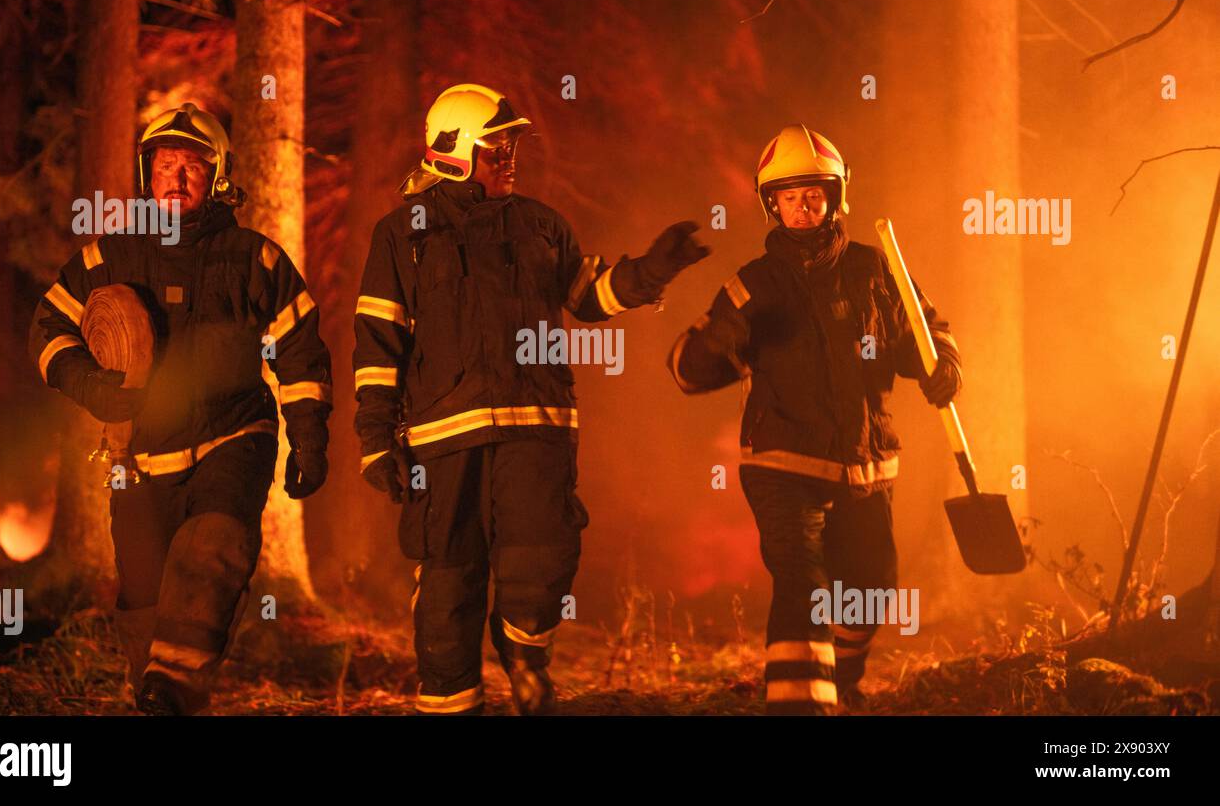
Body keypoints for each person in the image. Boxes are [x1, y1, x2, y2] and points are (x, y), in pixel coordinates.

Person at [355, 83, 710, 714]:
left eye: (513, 144)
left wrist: (653, 269)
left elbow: (589, 297)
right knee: (447, 582)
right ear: (455, 151)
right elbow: (378, 343)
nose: (510, 156)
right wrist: (375, 442)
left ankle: (525, 655)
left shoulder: (543, 225)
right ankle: (450, 702)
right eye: (496, 146)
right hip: (443, 440)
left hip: (537, 431)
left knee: (544, 558)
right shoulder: (402, 233)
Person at [28, 102, 333, 715]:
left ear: (217, 178)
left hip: (234, 435)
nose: (176, 179)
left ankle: (169, 686)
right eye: (165, 165)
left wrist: (310, 438)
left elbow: (299, 348)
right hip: (139, 456)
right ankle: (164, 694)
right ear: (147, 175)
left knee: (213, 543)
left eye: (192, 167)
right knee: (142, 596)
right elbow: (46, 326)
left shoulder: (256, 258)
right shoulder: (109, 256)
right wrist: (90, 385)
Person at [666, 124, 962, 714]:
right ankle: (802, 706)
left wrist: (943, 366)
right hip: (783, 463)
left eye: (813, 195)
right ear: (771, 204)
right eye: (789, 197)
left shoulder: (876, 271)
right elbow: (685, 371)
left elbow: (929, 336)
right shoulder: (753, 286)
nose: (803, 207)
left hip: (865, 464)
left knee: (872, 590)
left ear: (835, 197)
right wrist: (717, 344)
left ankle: (842, 676)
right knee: (803, 584)